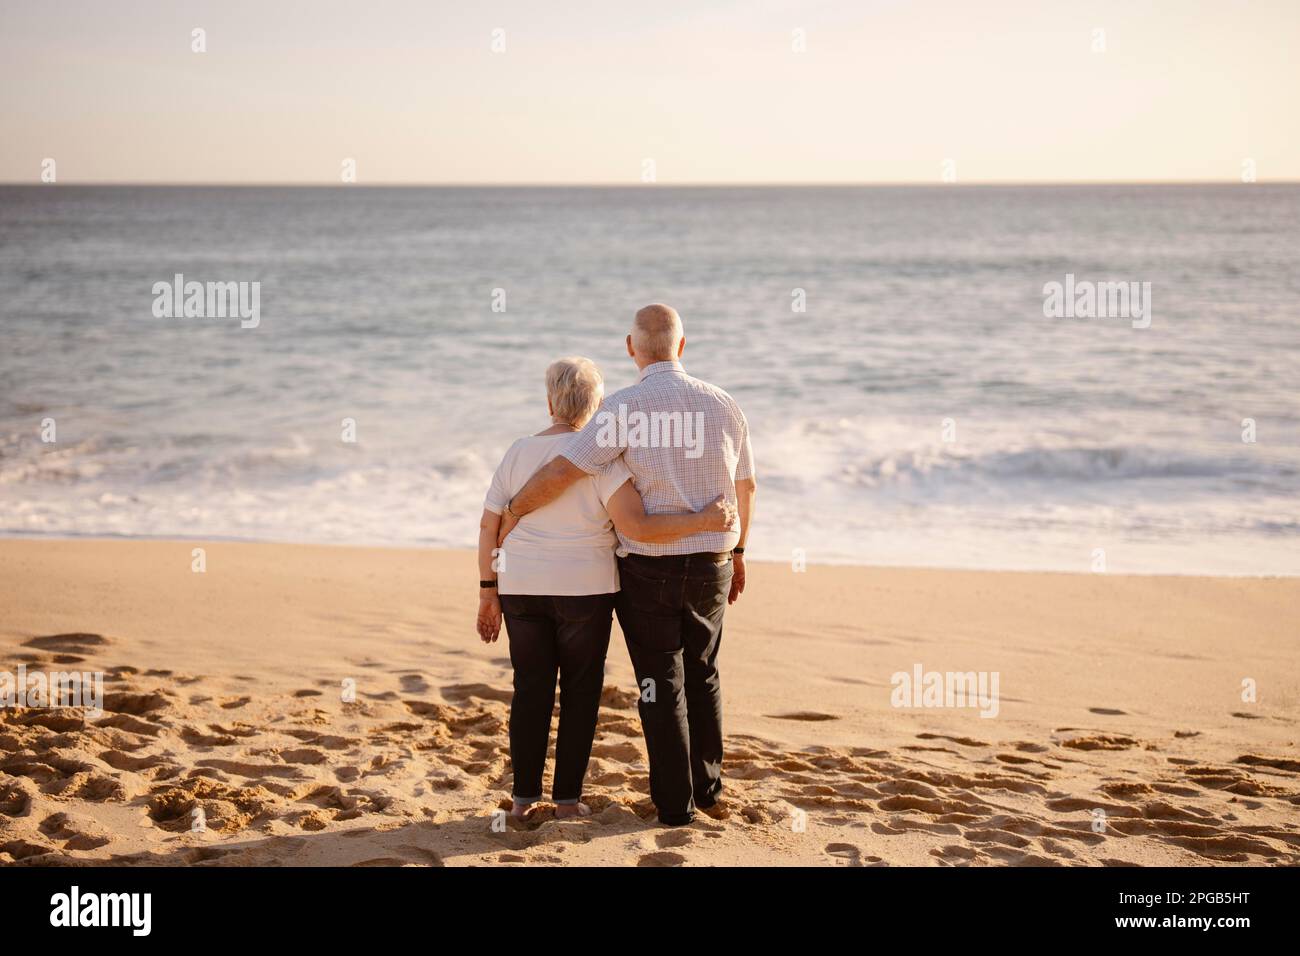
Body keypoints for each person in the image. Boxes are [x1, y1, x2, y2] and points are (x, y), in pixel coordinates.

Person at [497, 306, 755, 826]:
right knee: (704, 672)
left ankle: (674, 807)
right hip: (713, 561)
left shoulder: (621, 409)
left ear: (631, 348)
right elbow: (745, 486)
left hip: (650, 569)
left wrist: (513, 511)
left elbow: (565, 469)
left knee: (660, 682)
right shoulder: (725, 404)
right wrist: (741, 550)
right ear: (682, 346)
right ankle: (707, 791)